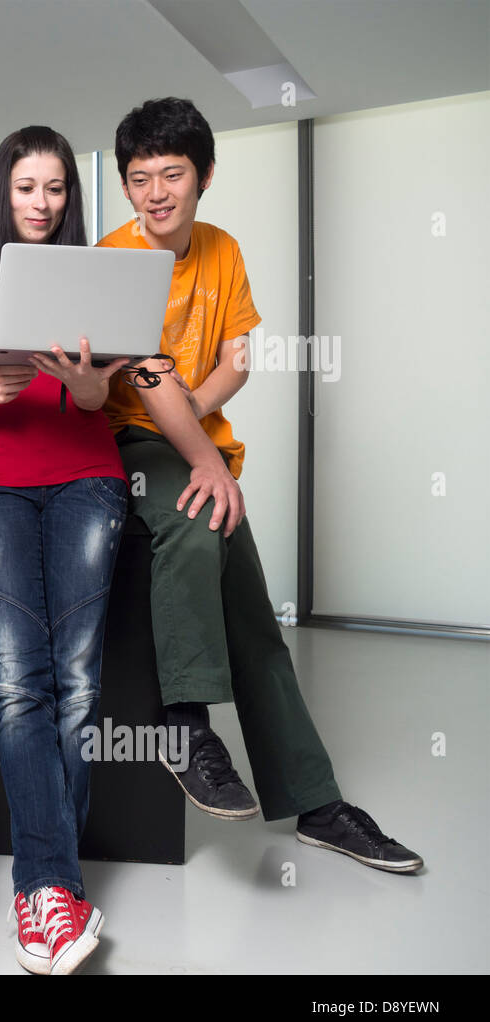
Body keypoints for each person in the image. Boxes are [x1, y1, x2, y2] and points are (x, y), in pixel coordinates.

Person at [97, 96, 422, 873]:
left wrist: (199, 430)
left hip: (189, 440)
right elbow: (144, 382)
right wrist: (198, 452)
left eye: (171, 174)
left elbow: (238, 358)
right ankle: (183, 723)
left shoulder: (223, 250)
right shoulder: (112, 260)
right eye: (139, 178)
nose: (155, 193)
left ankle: (317, 802)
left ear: (204, 174)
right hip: (125, 442)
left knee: (257, 627)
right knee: (188, 515)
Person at [0, 126, 131, 975]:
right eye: (26, 187)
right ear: (2, 193)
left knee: (79, 684)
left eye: (54, 188)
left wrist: (90, 386)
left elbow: (100, 398)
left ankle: (51, 894)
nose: (42, 203)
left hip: (86, 476)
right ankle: (47, 888)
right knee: (22, 684)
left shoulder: (93, 282)